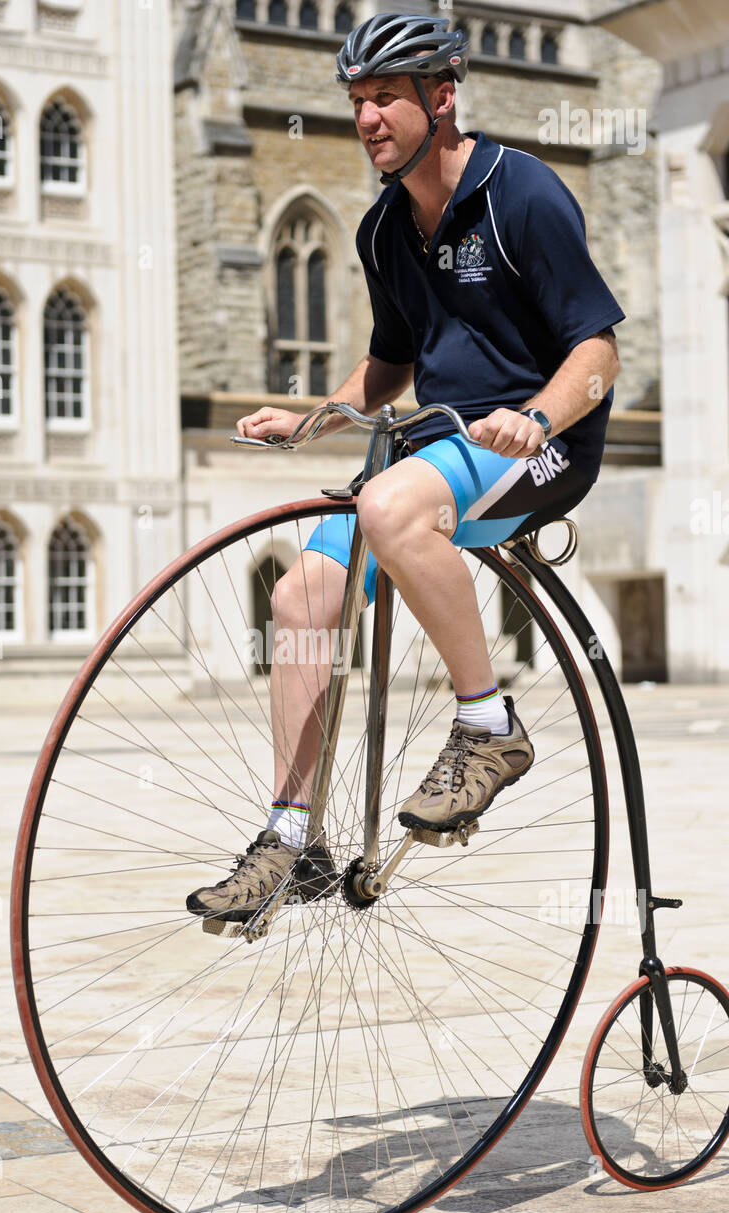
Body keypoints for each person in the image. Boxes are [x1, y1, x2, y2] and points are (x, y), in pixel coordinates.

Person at [187, 11, 623, 928]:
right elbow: (390, 365)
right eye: (356, 101)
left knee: (389, 505)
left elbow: (597, 355)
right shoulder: (384, 228)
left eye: (386, 96)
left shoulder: (524, 195)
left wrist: (536, 415)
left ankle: (488, 727)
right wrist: (316, 417)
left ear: (442, 96)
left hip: (540, 448)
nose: (369, 118)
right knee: (302, 595)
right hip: (437, 453)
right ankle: (290, 831)